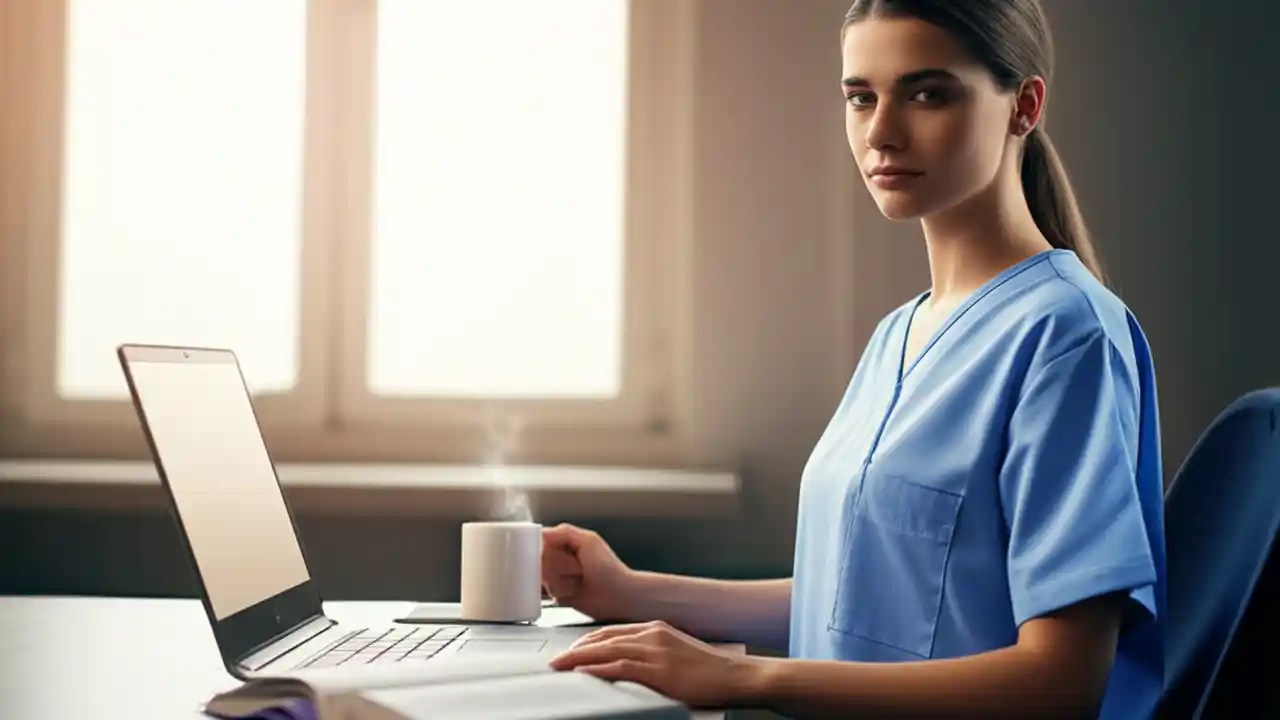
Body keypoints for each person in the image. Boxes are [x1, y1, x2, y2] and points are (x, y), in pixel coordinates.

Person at [541, 1, 1165, 717]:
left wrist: (747, 680)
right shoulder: (898, 334)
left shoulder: (1067, 336)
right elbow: (863, 598)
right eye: (861, 97)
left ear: (1023, 106)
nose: (882, 132)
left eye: (928, 93)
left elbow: (1060, 680)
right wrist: (630, 593)